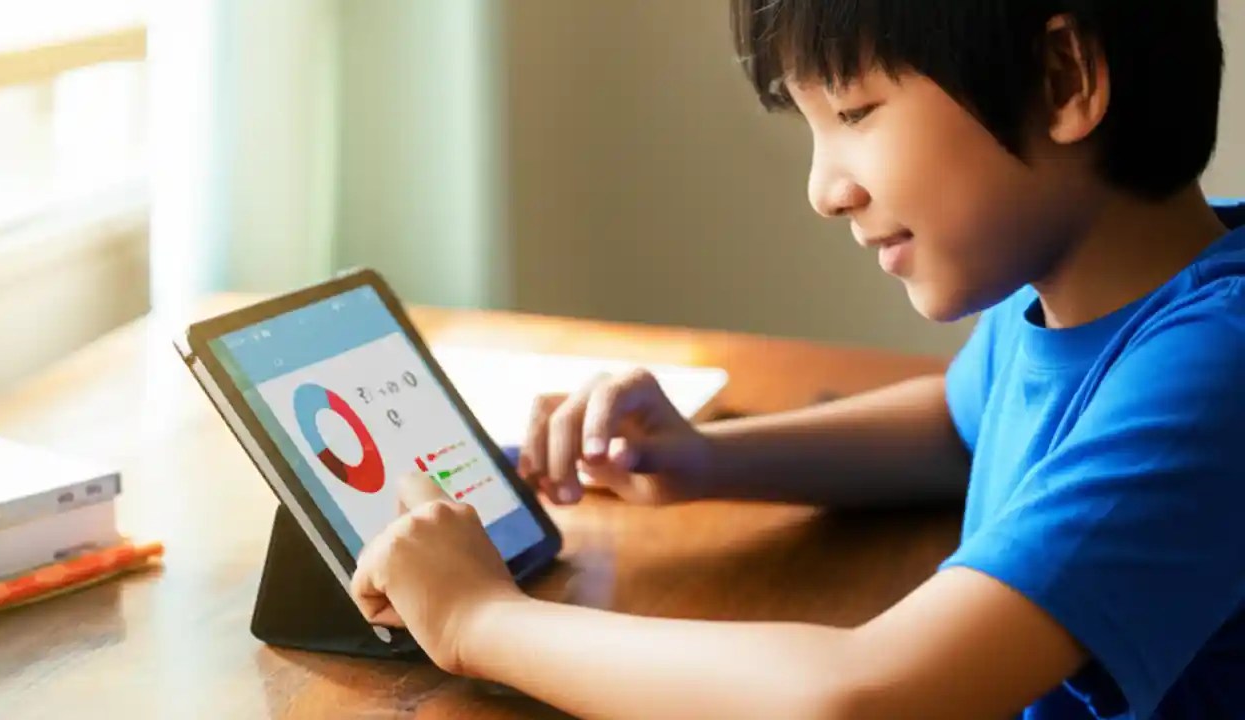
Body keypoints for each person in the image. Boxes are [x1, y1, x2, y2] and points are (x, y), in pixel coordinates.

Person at [349, 1, 1245, 717]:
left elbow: (861, 697)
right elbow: (958, 425)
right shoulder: (1069, 294)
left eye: (855, 112)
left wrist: (477, 619)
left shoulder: (1215, 371)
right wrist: (707, 458)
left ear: (1062, 79)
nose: (824, 190)